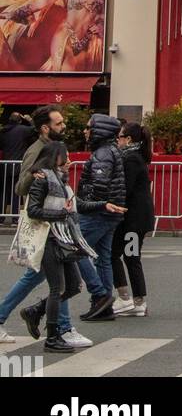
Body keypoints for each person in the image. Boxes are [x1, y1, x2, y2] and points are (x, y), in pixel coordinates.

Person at [0, 106, 92, 348]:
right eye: (59, 123)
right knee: (56, 282)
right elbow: (21, 187)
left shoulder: (54, 148)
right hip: (45, 227)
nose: (63, 126)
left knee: (41, 278)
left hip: (55, 227)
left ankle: (52, 323)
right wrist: (35, 173)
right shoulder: (37, 150)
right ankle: (62, 327)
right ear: (45, 128)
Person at [18, 141, 96, 353]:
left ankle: (35, 311)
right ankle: (52, 337)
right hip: (49, 238)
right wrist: (60, 214)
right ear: (55, 157)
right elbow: (33, 210)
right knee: (58, 288)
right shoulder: (42, 179)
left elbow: (73, 204)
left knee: (73, 285)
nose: (69, 161)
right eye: (66, 156)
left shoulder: (60, 179)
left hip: (64, 237)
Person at [76, 114, 127, 322]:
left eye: (89, 127)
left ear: (99, 131)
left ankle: (99, 295)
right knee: (103, 257)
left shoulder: (102, 153)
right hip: (111, 211)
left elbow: (99, 183)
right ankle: (104, 305)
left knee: (75, 249)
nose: (85, 131)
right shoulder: (112, 150)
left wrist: (87, 202)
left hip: (99, 211)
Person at [111, 123, 154, 316]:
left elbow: (124, 188)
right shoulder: (136, 157)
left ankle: (131, 299)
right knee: (128, 256)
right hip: (135, 219)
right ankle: (134, 300)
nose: (117, 140)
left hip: (133, 220)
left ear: (128, 139)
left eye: (120, 137)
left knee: (123, 256)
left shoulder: (130, 159)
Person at [0, 111, 33, 220]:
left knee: (3, 191)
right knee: (17, 192)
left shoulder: (3, 130)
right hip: (18, 165)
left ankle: (1, 217)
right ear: (19, 120)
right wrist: (29, 120)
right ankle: (15, 217)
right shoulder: (22, 130)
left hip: (5, 165)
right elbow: (36, 130)